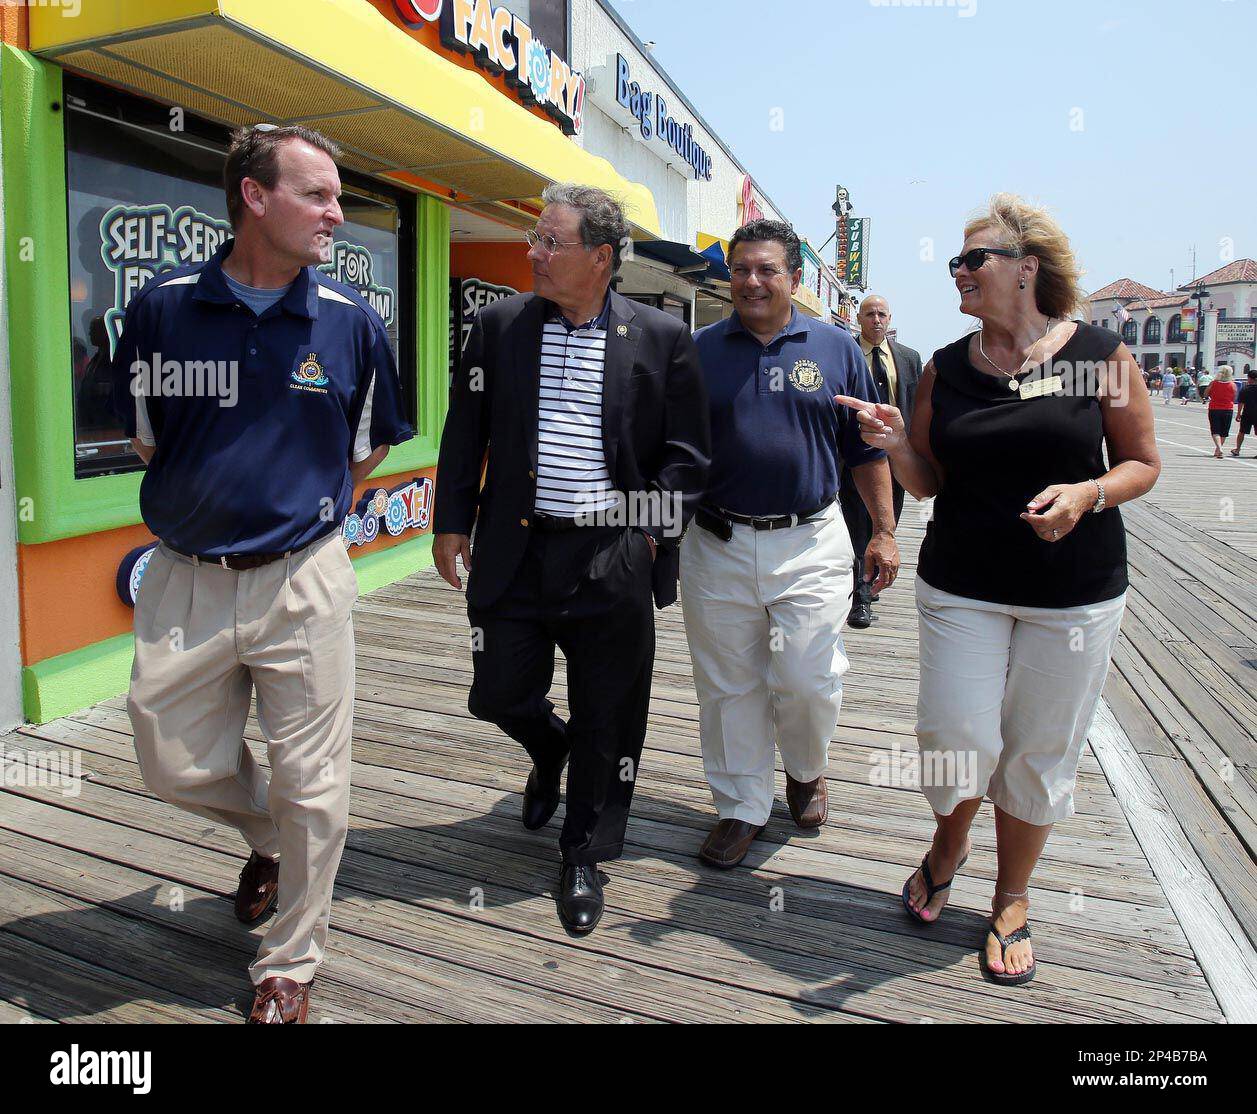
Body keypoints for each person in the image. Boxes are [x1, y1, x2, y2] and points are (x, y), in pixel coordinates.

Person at [112, 125, 413, 1023]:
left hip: (304, 581)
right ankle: (271, 838)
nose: (335, 213)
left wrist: (296, 516)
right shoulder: (162, 308)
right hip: (184, 578)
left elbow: (367, 449)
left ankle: (289, 961)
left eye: (337, 198)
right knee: (169, 762)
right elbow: (146, 437)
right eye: (317, 195)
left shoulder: (353, 322)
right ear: (254, 196)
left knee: (316, 780)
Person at [840, 194, 1159, 985]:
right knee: (954, 740)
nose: (957, 270)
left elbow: (1142, 462)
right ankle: (948, 843)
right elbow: (925, 480)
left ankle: (1010, 898)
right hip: (963, 585)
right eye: (954, 260)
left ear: (1025, 270)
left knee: (1037, 750)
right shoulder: (947, 367)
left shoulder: (1096, 351)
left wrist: (1088, 494)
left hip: (1075, 593)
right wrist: (891, 444)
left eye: (971, 258)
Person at [432, 184, 710, 934]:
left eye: (550, 243)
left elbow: (685, 459)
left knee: (608, 716)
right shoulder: (497, 328)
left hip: (609, 551)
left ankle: (584, 852)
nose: (533, 254)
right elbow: (465, 433)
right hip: (514, 549)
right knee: (496, 692)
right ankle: (544, 747)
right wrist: (450, 522)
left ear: (600, 257)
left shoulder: (659, 337)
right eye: (534, 239)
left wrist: (647, 535)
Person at [684, 220, 899, 869]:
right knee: (727, 685)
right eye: (741, 269)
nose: (751, 280)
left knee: (807, 679)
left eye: (766, 269)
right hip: (715, 542)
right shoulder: (698, 351)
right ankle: (740, 806)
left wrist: (885, 531)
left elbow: (865, 449)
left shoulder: (836, 348)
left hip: (809, 540)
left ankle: (806, 771)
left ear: (794, 278)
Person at [838, 294, 922, 628]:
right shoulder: (846, 352)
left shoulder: (909, 359)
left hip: (894, 459)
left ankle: (870, 582)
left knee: (885, 522)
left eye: (882, 314)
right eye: (870, 314)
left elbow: (914, 408)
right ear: (858, 318)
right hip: (853, 458)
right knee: (855, 524)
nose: (876, 320)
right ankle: (859, 596)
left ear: (890, 319)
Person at [1206, 364, 1237, 457]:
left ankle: (1219, 448)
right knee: (1224, 431)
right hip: (1228, 409)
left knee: (1215, 430)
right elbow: (1234, 397)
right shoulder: (1233, 384)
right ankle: (1218, 450)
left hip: (1214, 408)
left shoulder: (1214, 383)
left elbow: (1206, 394)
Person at [1234, 368, 1257, 457]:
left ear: (1249, 378)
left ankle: (1237, 450)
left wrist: (1238, 413)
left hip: (1247, 413)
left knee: (1242, 432)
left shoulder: (1245, 389)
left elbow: (1241, 402)